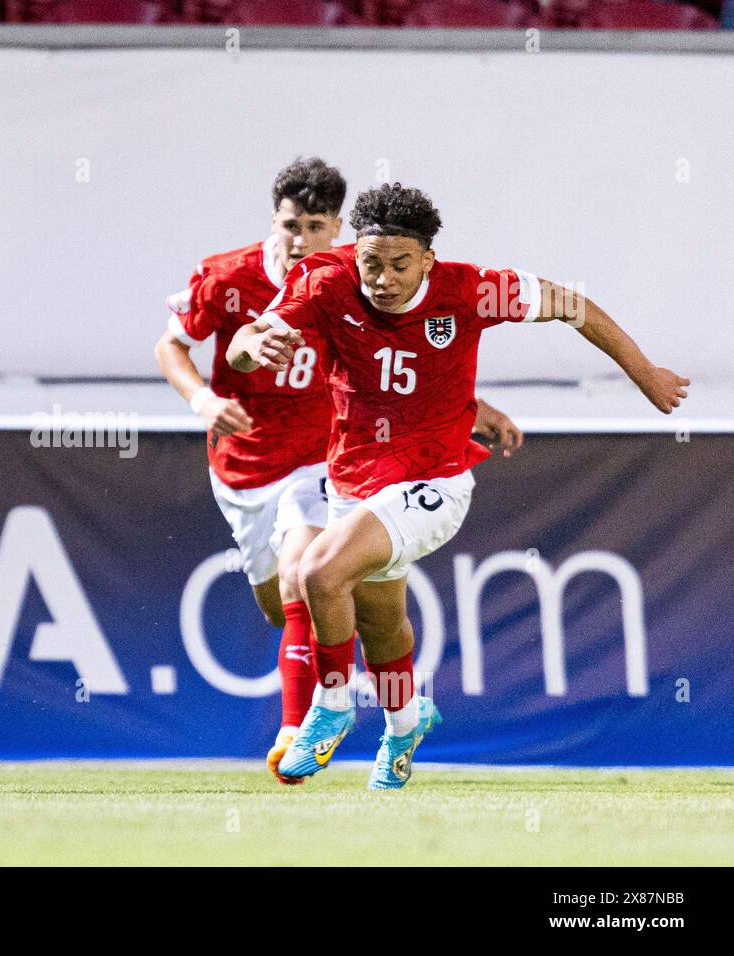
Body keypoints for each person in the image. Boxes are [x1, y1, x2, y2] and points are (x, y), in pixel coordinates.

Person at [227, 182, 688, 789]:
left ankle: (332, 708)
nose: (383, 279)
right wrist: (253, 345)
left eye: (399, 265)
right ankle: (405, 721)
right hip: (354, 476)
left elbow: (574, 304)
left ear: (427, 259)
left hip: (434, 479)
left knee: (317, 573)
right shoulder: (322, 280)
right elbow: (239, 350)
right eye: (371, 263)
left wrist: (645, 372)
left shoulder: (471, 289)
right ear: (354, 254)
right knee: (380, 622)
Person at [157, 162, 520, 783]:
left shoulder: (359, 273)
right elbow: (173, 345)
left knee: (312, 572)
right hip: (244, 465)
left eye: (314, 226)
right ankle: (404, 714)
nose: (299, 239)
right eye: (288, 225)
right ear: (273, 221)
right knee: (291, 605)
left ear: (337, 228)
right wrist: (206, 398)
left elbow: (407, 364)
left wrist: (470, 409)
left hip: (326, 460)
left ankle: (303, 727)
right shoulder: (228, 277)